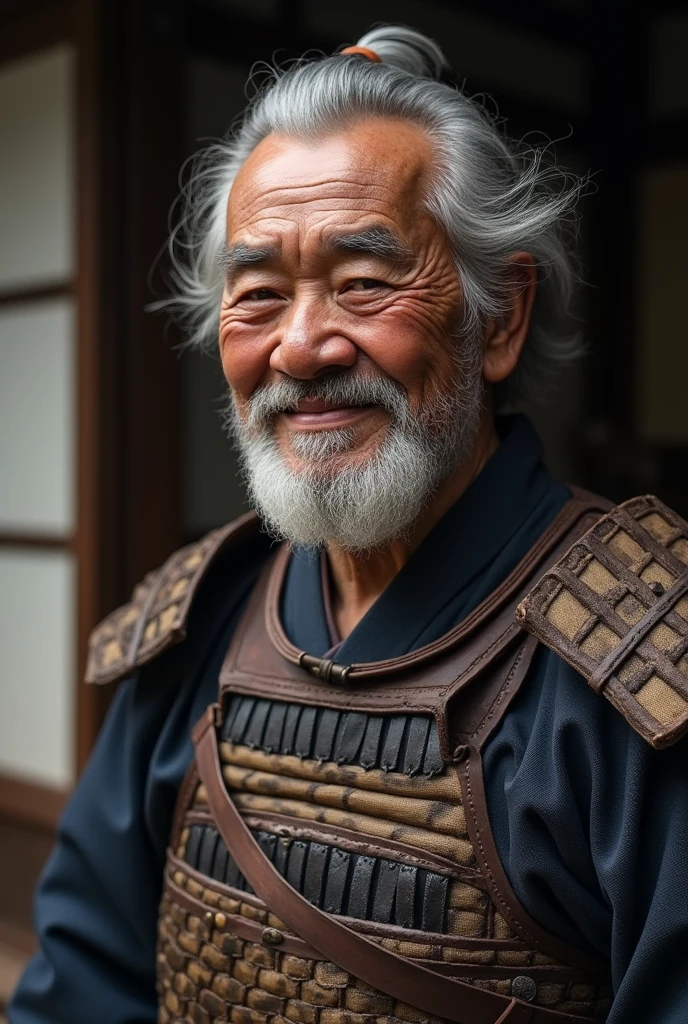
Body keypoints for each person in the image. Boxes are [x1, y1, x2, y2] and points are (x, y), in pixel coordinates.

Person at [10, 24, 688, 1024]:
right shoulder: (196, 622)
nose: (300, 347)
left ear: (497, 316)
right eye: (258, 296)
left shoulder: (649, 662)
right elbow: (79, 989)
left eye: (364, 283)